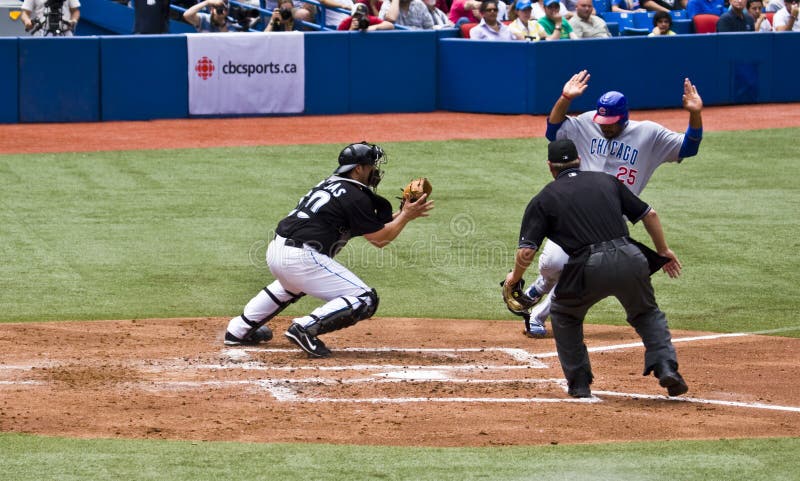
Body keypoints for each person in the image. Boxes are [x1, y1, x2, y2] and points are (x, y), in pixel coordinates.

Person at [519, 70, 703, 338]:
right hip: (575, 209)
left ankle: (539, 313)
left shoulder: (648, 134)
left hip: (612, 221)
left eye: (611, 122)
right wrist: (564, 99)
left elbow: (688, 147)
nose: (605, 125)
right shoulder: (585, 124)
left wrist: (695, 114)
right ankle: (543, 283)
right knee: (553, 265)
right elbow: (552, 131)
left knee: (582, 270)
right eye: (602, 120)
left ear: (624, 116)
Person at [505, 139, 688, 399]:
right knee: (646, 314)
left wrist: (515, 278)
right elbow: (650, 214)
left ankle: (580, 383)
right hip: (631, 258)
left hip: (587, 267)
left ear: (550, 166)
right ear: (578, 160)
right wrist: (663, 250)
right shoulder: (606, 180)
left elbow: (526, 252)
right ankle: (666, 366)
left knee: (565, 316)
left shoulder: (545, 197)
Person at [224, 142, 433, 358]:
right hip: (301, 256)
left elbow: (372, 225)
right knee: (365, 298)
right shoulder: (355, 196)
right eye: (371, 165)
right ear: (358, 169)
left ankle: (238, 330)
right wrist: (406, 216)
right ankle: (304, 327)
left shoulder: (331, 185)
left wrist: (404, 212)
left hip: (277, 250)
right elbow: (380, 239)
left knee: (292, 285)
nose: (375, 171)